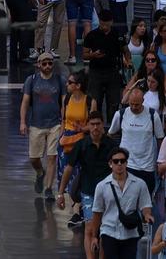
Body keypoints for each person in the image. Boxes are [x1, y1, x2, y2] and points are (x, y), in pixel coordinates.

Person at [58, 111, 116, 250]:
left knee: (105, 230)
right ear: (88, 126)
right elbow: (69, 168)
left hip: (108, 193)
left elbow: (120, 168)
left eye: (98, 124)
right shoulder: (81, 144)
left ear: (103, 125)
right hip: (88, 191)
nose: (95, 127)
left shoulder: (111, 145)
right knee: (89, 228)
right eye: (92, 124)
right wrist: (60, 193)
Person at [89, 146, 154, 259]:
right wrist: (94, 236)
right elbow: (97, 213)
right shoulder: (102, 186)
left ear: (126, 163)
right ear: (110, 164)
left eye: (122, 161)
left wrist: (147, 215)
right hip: (109, 231)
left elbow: (145, 205)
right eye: (116, 161)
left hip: (130, 232)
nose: (119, 164)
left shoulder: (139, 184)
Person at [21, 52, 68, 196]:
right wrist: (23, 122)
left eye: (50, 63)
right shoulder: (31, 80)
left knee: (52, 156)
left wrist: (64, 122)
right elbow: (25, 102)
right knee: (34, 158)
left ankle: (48, 189)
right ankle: (40, 172)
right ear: (38, 65)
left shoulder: (60, 80)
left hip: (55, 124)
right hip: (36, 124)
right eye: (44, 63)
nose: (48, 66)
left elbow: (64, 103)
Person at [59, 72, 98, 229]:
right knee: (67, 175)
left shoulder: (89, 101)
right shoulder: (66, 99)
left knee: (79, 175)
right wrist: (61, 137)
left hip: (81, 140)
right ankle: (76, 209)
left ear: (78, 85)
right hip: (67, 140)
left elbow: (94, 124)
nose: (67, 85)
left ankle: (77, 210)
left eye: (70, 82)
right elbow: (63, 120)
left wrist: (83, 128)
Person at [110, 88, 166, 196]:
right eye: (131, 104)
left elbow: (160, 139)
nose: (133, 107)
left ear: (143, 101)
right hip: (127, 165)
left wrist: (160, 161)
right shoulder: (121, 114)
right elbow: (110, 134)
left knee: (146, 198)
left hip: (147, 166)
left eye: (137, 104)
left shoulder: (152, 115)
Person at [84, 10, 125, 123]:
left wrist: (127, 60)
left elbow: (125, 50)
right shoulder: (92, 35)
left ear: (111, 22)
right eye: (102, 24)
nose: (104, 27)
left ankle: (112, 126)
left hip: (113, 71)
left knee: (113, 102)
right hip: (96, 71)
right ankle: (97, 124)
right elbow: (84, 54)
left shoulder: (117, 34)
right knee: (95, 101)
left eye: (106, 24)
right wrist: (93, 55)